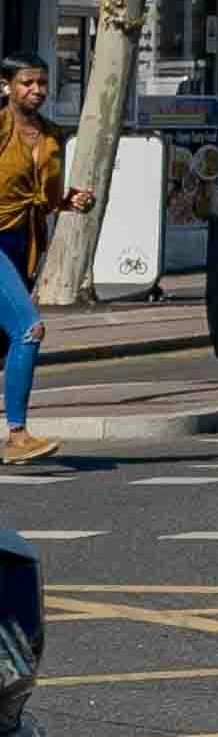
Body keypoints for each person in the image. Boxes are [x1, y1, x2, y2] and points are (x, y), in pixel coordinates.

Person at [0, 61, 62, 464]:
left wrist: (72, 198)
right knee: (28, 327)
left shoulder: (52, 134)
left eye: (42, 82)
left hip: (25, 242)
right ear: (7, 86)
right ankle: (17, 435)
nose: (36, 89)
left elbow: (48, 196)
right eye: (27, 83)